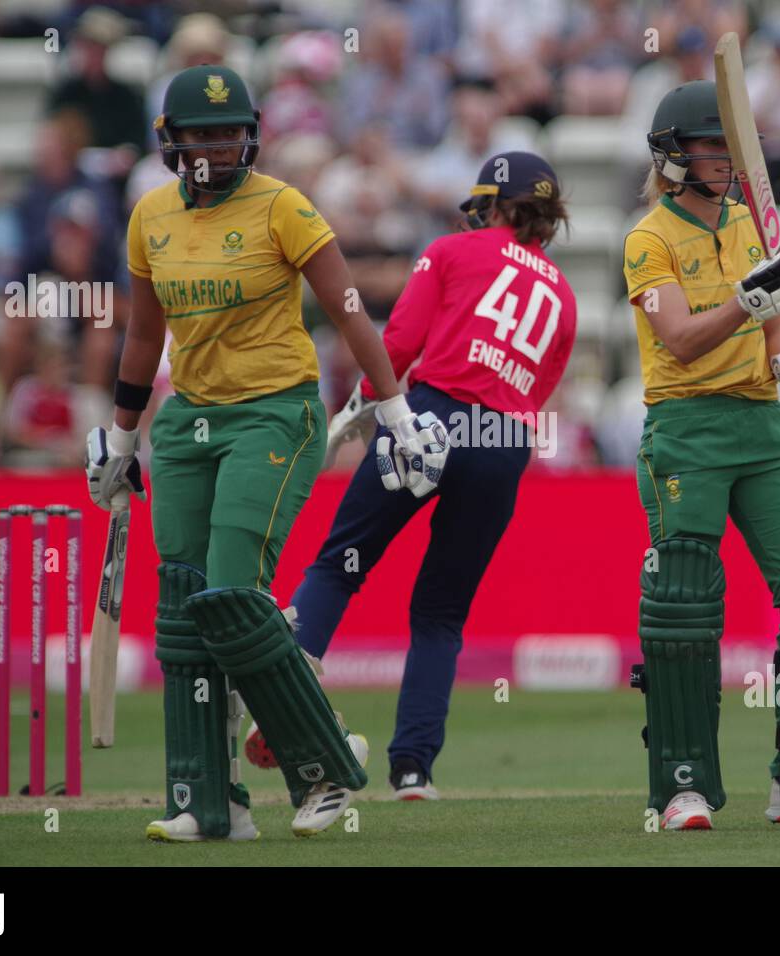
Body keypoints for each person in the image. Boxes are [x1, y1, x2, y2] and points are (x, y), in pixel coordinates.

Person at [84, 65, 449, 842]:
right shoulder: (150, 215)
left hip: (275, 415)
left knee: (231, 599)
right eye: (199, 134)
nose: (215, 146)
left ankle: (322, 765)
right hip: (185, 425)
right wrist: (120, 437)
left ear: (249, 134)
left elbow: (350, 312)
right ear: (169, 143)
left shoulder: (283, 206)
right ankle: (211, 803)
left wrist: (397, 412)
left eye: (227, 131)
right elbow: (145, 335)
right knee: (186, 613)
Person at [245, 152, 577, 799]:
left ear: (497, 205)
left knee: (340, 562)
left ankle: (284, 705)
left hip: (430, 414)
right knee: (442, 614)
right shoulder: (563, 296)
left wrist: (364, 399)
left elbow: (396, 342)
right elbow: (538, 393)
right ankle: (414, 769)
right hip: (504, 440)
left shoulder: (452, 251)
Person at [622, 80, 780, 830]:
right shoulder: (648, 238)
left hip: (764, 425)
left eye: (733, 148)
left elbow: (770, 345)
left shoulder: (754, 228)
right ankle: (682, 788)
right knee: (685, 606)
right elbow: (683, 341)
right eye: (710, 147)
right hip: (685, 428)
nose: (726, 160)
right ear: (672, 156)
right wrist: (750, 298)